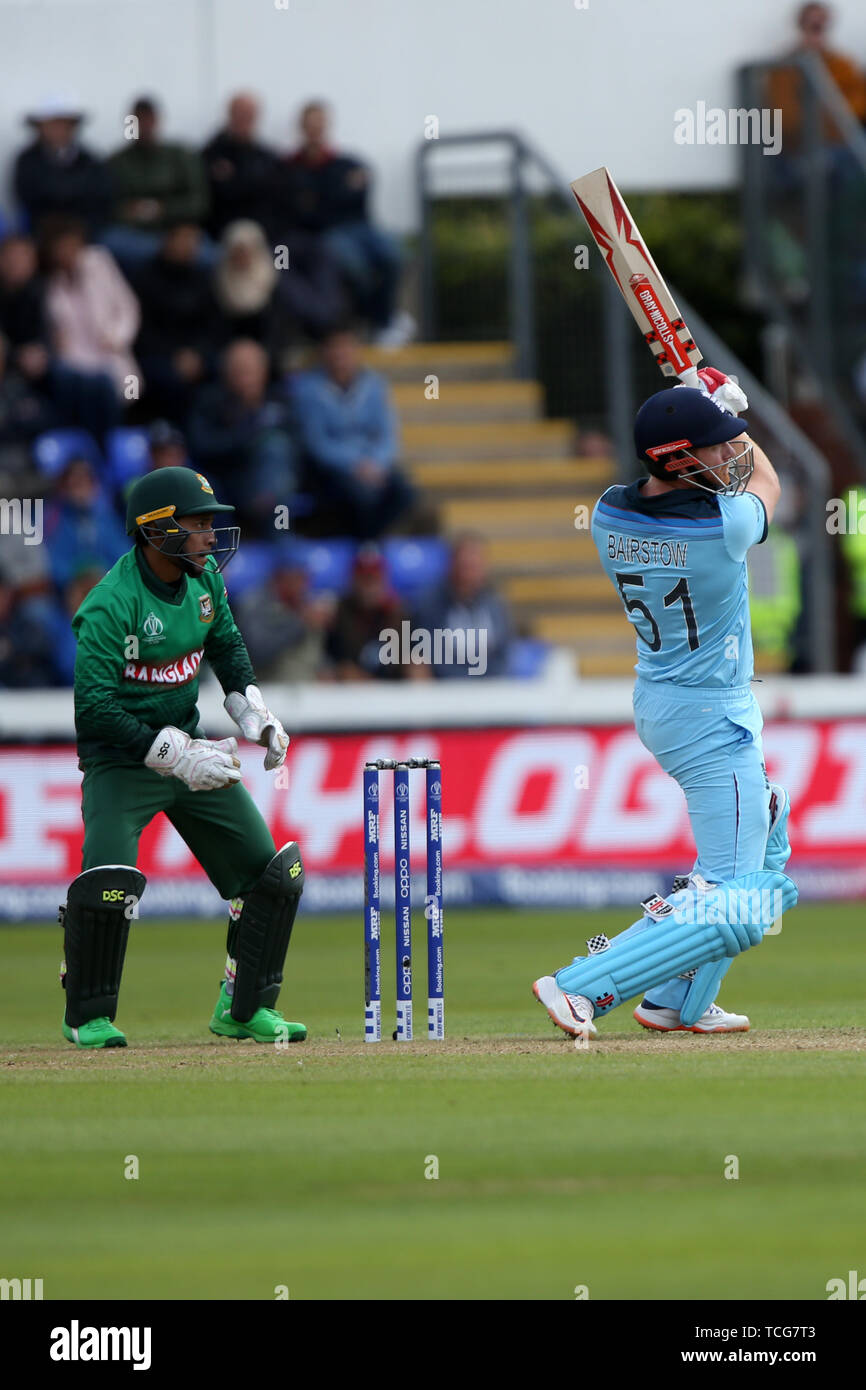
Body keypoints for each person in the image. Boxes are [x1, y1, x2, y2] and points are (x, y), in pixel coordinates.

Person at [533, 370, 797, 1041]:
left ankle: (678, 1001)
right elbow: (769, 485)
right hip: (710, 717)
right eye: (716, 447)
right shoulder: (726, 528)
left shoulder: (607, 513)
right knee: (734, 898)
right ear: (680, 459)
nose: (732, 454)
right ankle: (581, 985)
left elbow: (710, 477)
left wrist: (710, 413)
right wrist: (733, 406)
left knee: (766, 832)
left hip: (664, 700)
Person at [61, 465, 306, 1048]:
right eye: (196, 524)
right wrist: (167, 751)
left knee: (270, 878)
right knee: (109, 888)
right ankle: (86, 1016)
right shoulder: (111, 603)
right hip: (122, 763)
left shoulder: (205, 584)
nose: (207, 535)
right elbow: (93, 709)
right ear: (156, 530)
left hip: (191, 750)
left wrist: (253, 713)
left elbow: (227, 646)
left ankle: (242, 1009)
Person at [285, 102, 412, 345]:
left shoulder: (346, 162)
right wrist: (338, 193)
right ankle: (381, 319)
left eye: (320, 124)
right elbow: (304, 212)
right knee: (354, 267)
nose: (316, 130)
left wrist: (322, 198)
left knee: (394, 254)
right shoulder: (291, 167)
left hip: (362, 227)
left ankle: (384, 319)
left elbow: (359, 194)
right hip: (328, 234)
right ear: (302, 128)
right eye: (311, 125)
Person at [292, 327, 414, 539]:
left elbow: (387, 434)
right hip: (333, 468)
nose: (341, 356)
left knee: (405, 493)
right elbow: (316, 443)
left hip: (372, 464)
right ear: (324, 353)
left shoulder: (375, 385)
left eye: (346, 348)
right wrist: (354, 465)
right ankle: (365, 545)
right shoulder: (308, 389)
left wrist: (377, 463)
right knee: (359, 495)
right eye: (335, 349)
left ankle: (369, 543)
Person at [186, 338, 298, 526]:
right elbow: (202, 447)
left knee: (277, 447)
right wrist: (249, 436)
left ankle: (270, 506)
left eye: (251, 370)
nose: (245, 377)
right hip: (230, 480)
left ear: (264, 371)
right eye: (239, 371)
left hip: (279, 482)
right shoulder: (209, 402)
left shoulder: (279, 401)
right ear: (226, 373)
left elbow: (299, 443)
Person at [104, 97, 210, 270]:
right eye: (138, 120)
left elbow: (198, 202)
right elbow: (105, 204)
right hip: (133, 235)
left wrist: (164, 210)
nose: (144, 126)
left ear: (157, 121)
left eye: (148, 119)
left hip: (178, 231)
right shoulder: (117, 162)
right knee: (112, 244)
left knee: (210, 256)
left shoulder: (180, 156)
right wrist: (129, 212)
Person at [41, 217, 140, 400]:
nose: (66, 252)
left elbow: (129, 306)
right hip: (77, 364)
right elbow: (56, 329)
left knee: (130, 393)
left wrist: (118, 336)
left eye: (70, 245)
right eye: (60, 247)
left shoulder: (99, 262)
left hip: (111, 351)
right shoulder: (51, 283)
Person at [133, 222, 218, 419]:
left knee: (224, 370)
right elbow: (141, 331)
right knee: (170, 380)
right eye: (183, 238)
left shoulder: (203, 278)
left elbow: (214, 326)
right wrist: (175, 356)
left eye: (194, 240)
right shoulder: (144, 278)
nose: (189, 245)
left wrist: (197, 353)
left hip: (197, 354)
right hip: (158, 355)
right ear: (167, 240)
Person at [410, 533, 513, 679]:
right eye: (465, 566)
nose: (469, 573)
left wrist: (486, 682)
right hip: (445, 690)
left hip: (490, 689)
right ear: (452, 566)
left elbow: (504, 654)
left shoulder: (495, 605)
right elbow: (433, 656)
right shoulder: (429, 606)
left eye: (474, 566)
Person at [13, 94, 111, 236]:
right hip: (43, 234)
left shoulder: (90, 160)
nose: (58, 129)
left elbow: (101, 197)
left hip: (88, 231)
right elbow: (29, 198)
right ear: (40, 127)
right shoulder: (27, 160)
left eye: (63, 123)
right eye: (52, 123)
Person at [202, 93, 282, 239]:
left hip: (260, 232)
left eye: (248, 115)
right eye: (239, 114)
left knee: (283, 255)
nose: (243, 119)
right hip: (219, 231)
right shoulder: (211, 154)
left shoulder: (268, 158)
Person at [324, 544, 408, 680]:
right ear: (353, 581)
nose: (368, 588)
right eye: (364, 580)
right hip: (349, 694)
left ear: (384, 581)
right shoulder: (338, 614)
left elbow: (407, 661)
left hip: (393, 691)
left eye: (374, 580)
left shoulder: (399, 613)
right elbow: (336, 665)